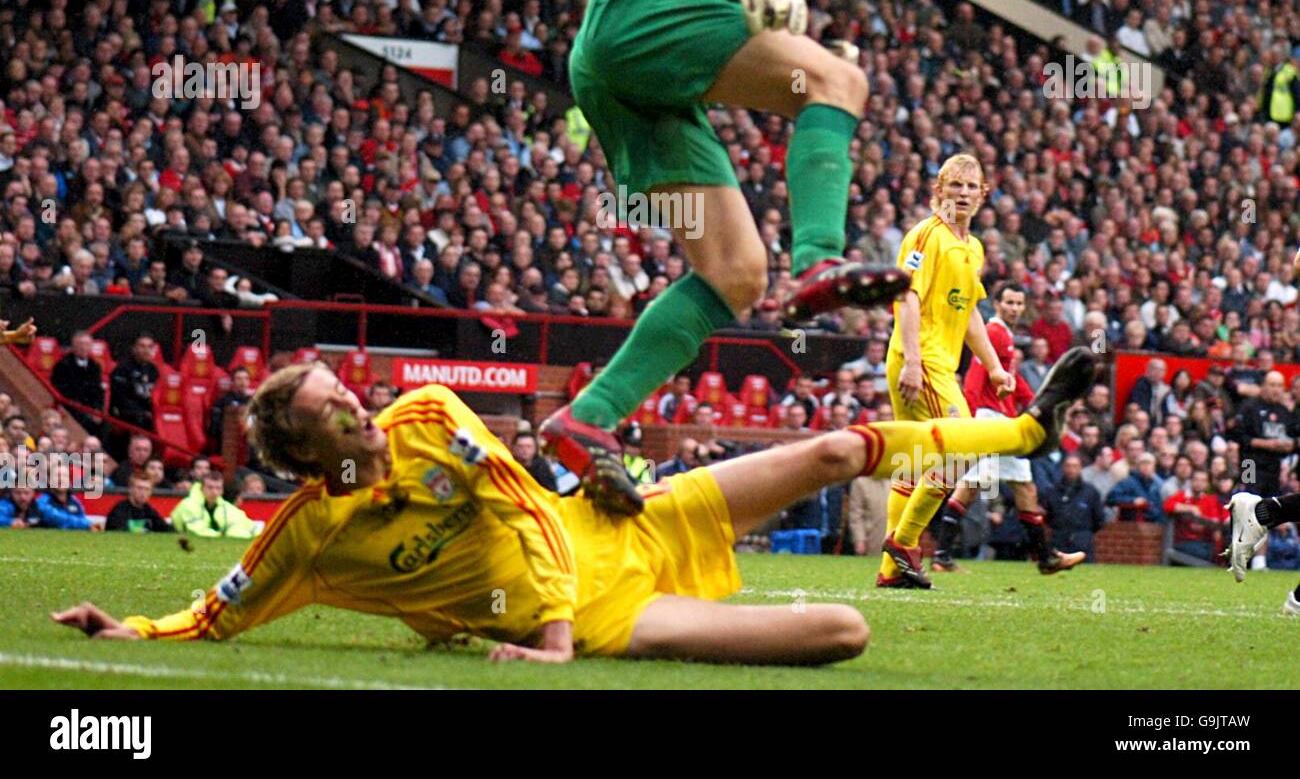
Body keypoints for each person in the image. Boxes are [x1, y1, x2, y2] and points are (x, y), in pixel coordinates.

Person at [52, 350, 1094, 661]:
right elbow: (219, 611)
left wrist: (545, 625)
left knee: (829, 447)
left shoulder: (424, 412)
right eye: (333, 410)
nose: (357, 408)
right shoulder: (314, 536)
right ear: (303, 449)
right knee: (845, 630)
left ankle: (1022, 432)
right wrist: (126, 626)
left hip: (606, 527)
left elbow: (515, 504)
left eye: (346, 392)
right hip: (605, 618)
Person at [539, 0, 972, 516]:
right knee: (841, 83)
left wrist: (801, 40)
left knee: (737, 272)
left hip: (643, 81)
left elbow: (759, 23)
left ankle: (584, 419)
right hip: (639, 6)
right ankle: (820, 262)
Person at [877, 154, 1014, 589]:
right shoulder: (925, 236)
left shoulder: (973, 248)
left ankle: (890, 573)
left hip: (934, 362)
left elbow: (971, 309)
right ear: (938, 190)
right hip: (921, 359)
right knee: (963, 448)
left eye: (971, 187)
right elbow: (907, 298)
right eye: (954, 185)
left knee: (913, 462)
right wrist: (914, 361)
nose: (963, 194)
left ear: (983, 194)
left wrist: (993, 366)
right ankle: (903, 543)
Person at [933, 283, 1085, 575]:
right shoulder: (993, 333)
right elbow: (976, 376)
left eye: (1019, 303)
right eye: (1010, 302)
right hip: (988, 421)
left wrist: (1040, 405)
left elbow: (1014, 383)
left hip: (1001, 419)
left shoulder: (1004, 335)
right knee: (989, 485)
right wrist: (967, 416)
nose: (1015, 308)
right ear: (997, 304)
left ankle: (944, 555)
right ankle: (1044, 557)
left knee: (998, 485)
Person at [1233, 369, 1299, 499]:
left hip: (1273, 465)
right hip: (1249, 463)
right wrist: (1264, 443)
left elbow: (1292, 438)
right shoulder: (1249, 407)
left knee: (1270, 505)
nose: (1276, 389)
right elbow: (1237, 435)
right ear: (1263, 386)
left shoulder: (1284, 412)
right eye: (1272, 385)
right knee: (1249, 500)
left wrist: (1290, 445)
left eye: (1279, 386)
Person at [1040, 454, 1106, 561]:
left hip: (1082, 542)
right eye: (1068, 466)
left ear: (1080, 468)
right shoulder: (1053, 491)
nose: (1071, 470)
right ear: (1063, 468)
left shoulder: (1090, 492)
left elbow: (1099, 519)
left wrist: (1083, 533)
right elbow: (1048, 516)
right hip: (1059, 540)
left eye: (1075, 466)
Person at [1162, 470, 1227, 563]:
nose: (1199, 483)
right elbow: (1167, 505)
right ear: (1191, 481)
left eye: (1203, 481)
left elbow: (1215, 523)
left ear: (1207, 484)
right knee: (1205, 553)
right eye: (1196, 480)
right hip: (1184, 542)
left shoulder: (1210, 500)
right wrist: (1190, 508)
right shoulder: (1182, 495)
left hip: (1205, 542)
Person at [50, 331, 105, 439]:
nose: (84, 348)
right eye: (81, 345)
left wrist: (97, 410)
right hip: (72, 407)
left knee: (104, 424)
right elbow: (62, 390)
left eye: (87, 345)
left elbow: (98, 391)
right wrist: (80, 408)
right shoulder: (63, 365)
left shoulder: (95, 366)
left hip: (90, 407)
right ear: (73, 346)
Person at [170, 471, 258, 538]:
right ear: (201, 488)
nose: (214, 492)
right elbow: (196, 531)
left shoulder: (226, 507)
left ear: (222, 490)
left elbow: (244, 525)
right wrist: (222, 537)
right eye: (210, 487)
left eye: (218, 488)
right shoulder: (188, 504)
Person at [109, 335, 160, 449]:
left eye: (149, 347)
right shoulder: (123, 369)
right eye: (142, 346)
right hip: (127, 414)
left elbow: (157, 396)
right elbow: (120, 398)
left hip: (148, 413)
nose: (146, 350)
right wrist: (142, 412)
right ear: (134, 349)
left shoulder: (153, 370)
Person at [1106, 453, 1165, 523]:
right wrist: (1132, 500)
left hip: (1157, 523)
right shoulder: (1128, 482)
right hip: (1134, 525)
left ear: (1154, 467)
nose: (1146, 466)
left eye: (1149, 463)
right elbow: (1111, 497)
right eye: (1142, 463)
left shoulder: (1159, 483)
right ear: (1137, 466)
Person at [105, 472, 170, 533]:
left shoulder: (149, 510)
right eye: (139, 488)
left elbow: (166, 529)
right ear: (130, 489)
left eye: (147, 489)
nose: (143, 493)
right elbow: (117, 532)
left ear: (151, 492)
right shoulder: (120, 510)